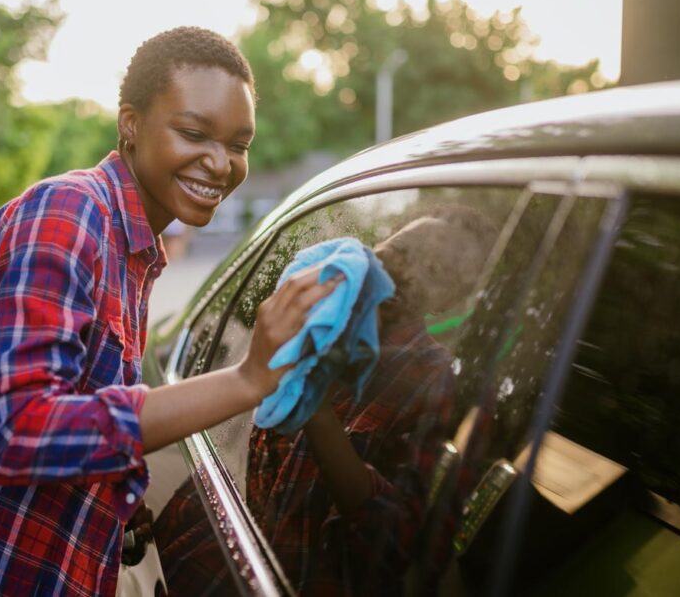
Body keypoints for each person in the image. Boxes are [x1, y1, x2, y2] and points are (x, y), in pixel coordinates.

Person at [0, 26, 340, 597]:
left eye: (239, 145)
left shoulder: (135, 251)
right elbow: (18, 429)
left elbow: (78, 405)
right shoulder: (70, 215)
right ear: (130, 125)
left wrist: (114, 496)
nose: (219, 162)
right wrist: (247, 380)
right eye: (193, 133)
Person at [154, 207, 499, 595]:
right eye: (402, 249)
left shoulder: (433, 382)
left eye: (435, 271)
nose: (406, 272)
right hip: (205, 565)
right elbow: (242, 462)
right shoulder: (310, 313)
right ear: (374, 247)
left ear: (449, 301)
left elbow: (397, 543)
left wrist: (315, 409)